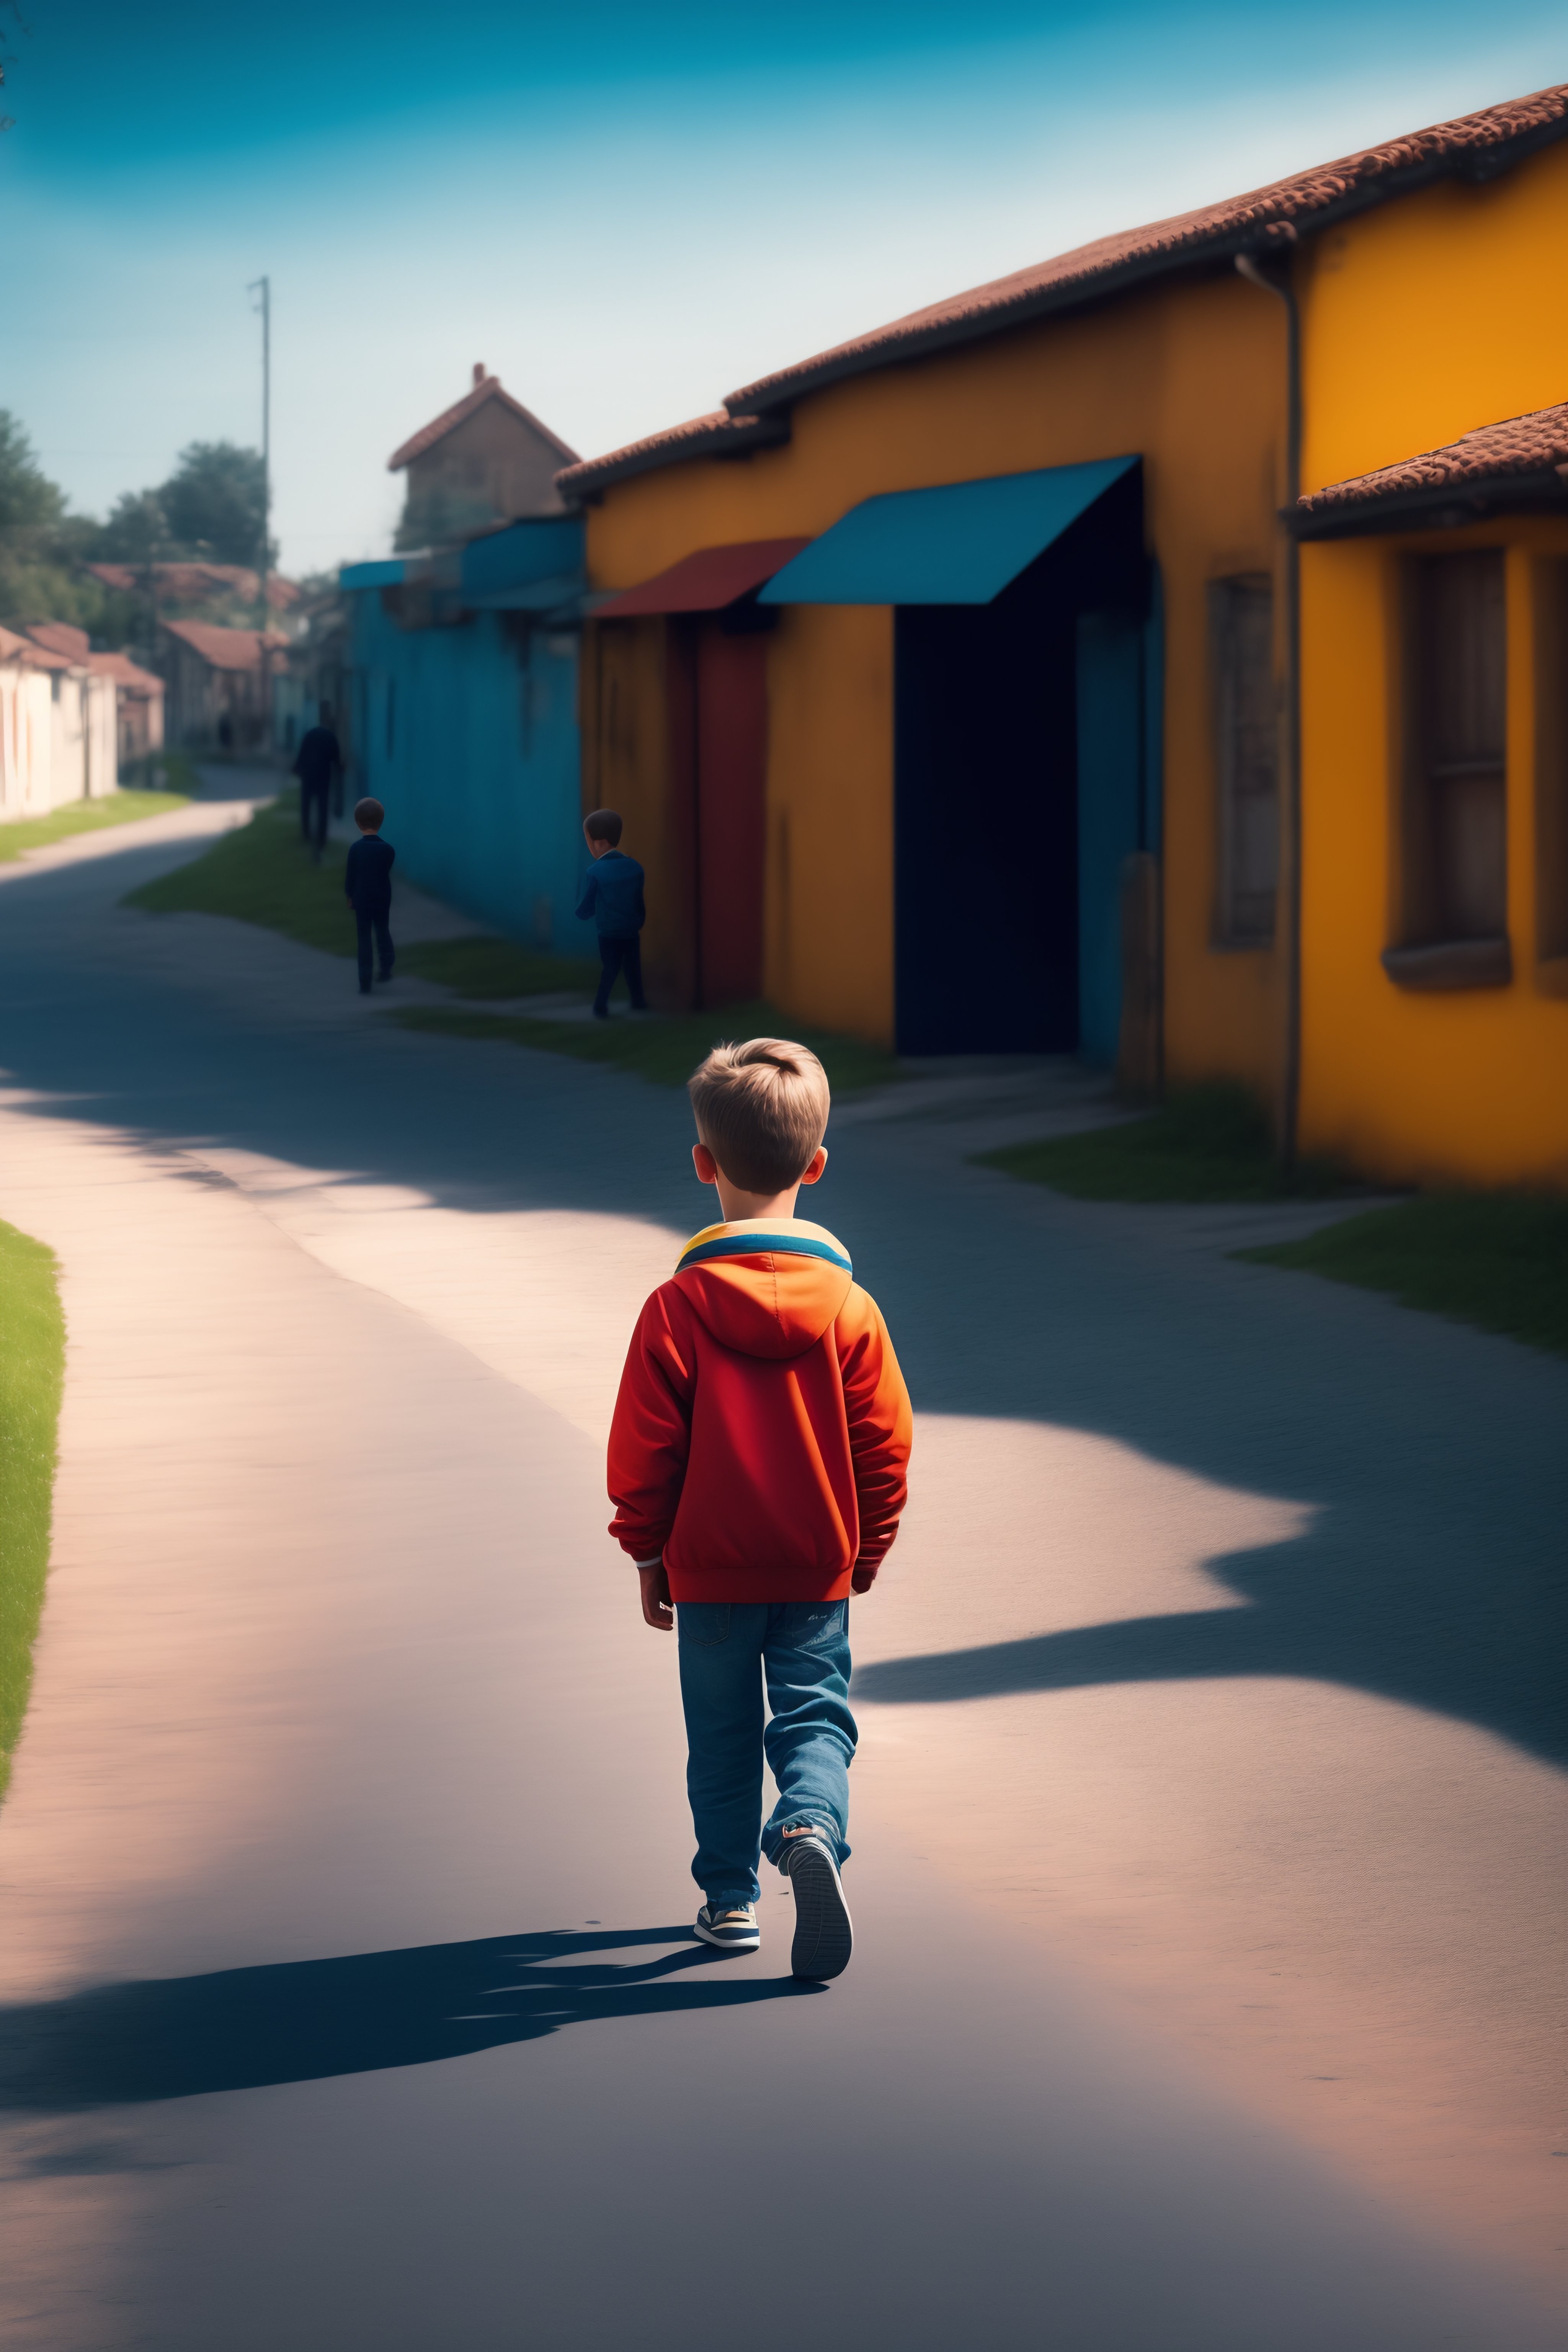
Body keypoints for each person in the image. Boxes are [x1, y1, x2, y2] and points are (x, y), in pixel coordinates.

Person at [606, 1037, 913, 1980]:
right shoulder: (853, 1310)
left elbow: (643, 1450)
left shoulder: (676, 1307)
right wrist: (865, 1550)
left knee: (725, 1732)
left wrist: (648, 1551)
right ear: (815, 1166)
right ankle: (812, 1824)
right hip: (816, 1562)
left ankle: (730, 1898)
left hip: (709, 1572)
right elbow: (885, 1444)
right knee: (816, 1718)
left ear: (704, 1164)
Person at [574, 807, 648, 1018]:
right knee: (633, 967)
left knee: (611, 969)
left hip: (608, 932)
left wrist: (582, 913)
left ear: (599, 842)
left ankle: (600, 1005)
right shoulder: (635, 868)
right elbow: (638, 901)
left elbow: (588, 904)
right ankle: (638, 1000)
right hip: (631, 930)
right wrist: (639, 921)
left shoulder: (595, 872)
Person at [345, 797, 395, 996]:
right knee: (383, 931)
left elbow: (351, 875)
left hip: (362, 899)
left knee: (364, 939)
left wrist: (350, 895)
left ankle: (365, 982)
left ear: (358, 823)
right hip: (383, 898)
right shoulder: (388, 850)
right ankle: (386, 969)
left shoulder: (356, 849)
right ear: (381, 822)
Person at [294, 702, 343, 862]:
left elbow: (302, 755)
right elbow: (337, 762)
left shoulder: (310, 734)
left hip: (309, 776)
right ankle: (321, 839)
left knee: (306, 805)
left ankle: (307, 834)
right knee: (323, 809)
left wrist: (297, 769)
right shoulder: (331, 737)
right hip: (324, 777)